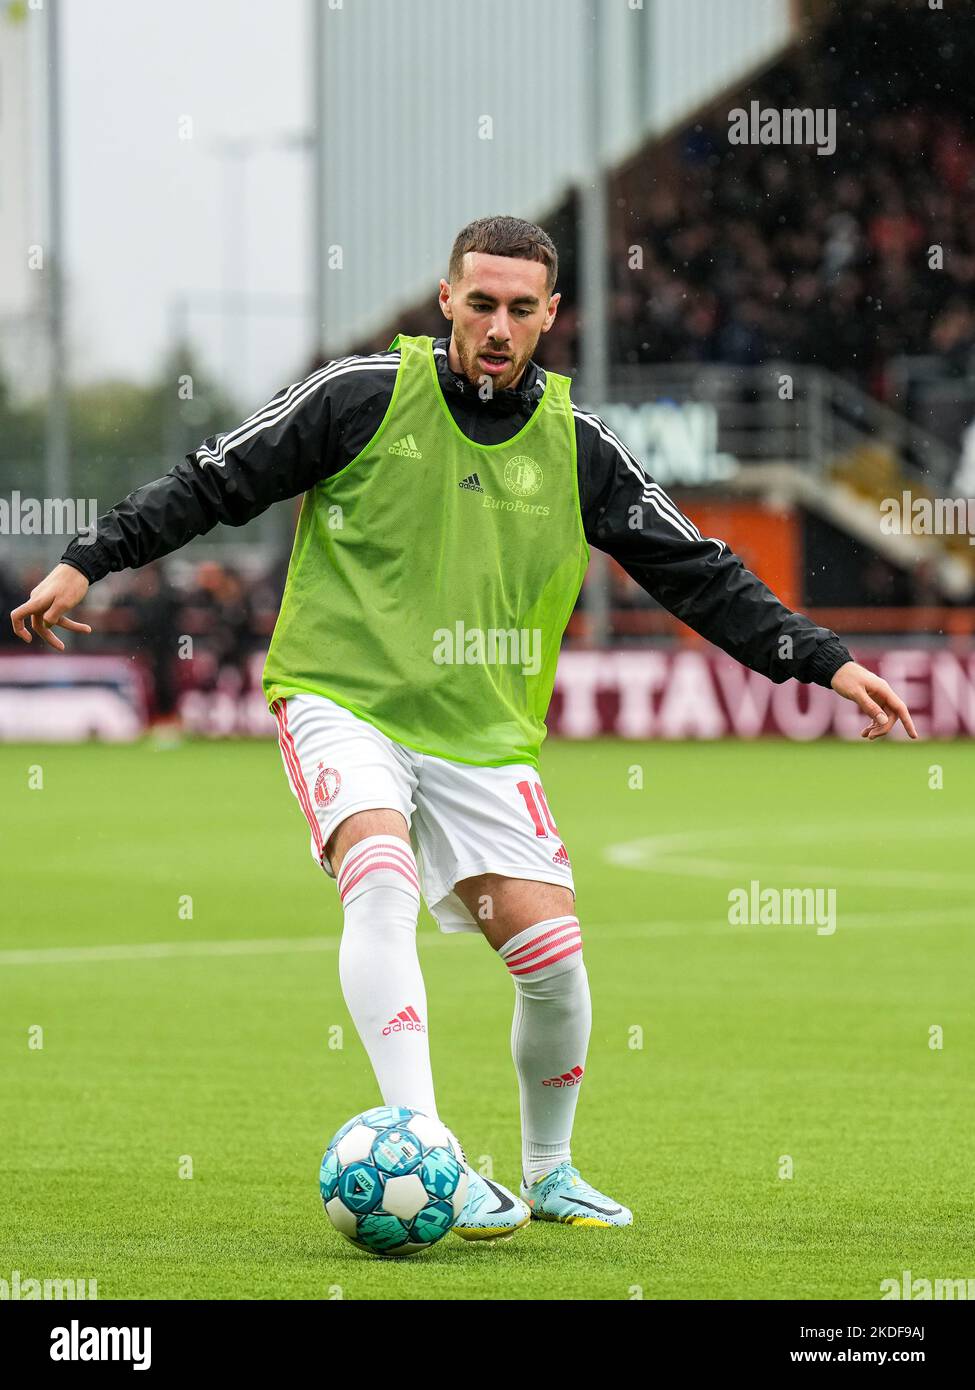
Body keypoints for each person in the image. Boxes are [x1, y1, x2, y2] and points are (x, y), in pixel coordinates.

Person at [10, 214, 917, 1240]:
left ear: (551, 316)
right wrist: (90, 555)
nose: (497, 325)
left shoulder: (578, 447)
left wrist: (823, 659)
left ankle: (551, 1170)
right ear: (446, 300)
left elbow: (696, 570)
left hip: (480, 735)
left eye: (520, 308)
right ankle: (428, 1144)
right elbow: (215, 477)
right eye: (479, 302)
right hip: (342, 695)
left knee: (556, 967)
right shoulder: (358, 397)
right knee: (382, 880)